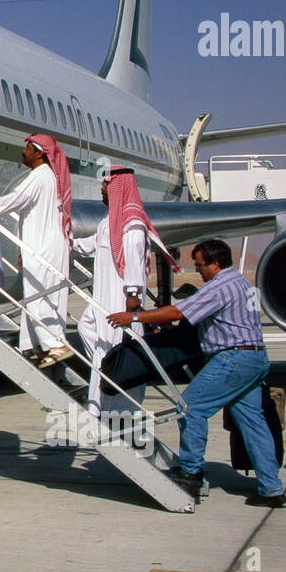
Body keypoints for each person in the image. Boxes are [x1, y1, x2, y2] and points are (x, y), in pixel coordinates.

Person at [109, 239, 286, 507]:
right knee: (252, 423)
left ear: (215, 264)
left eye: (201, 265)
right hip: (255, 358)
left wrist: (134, 318)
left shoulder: (220, 287)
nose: (199, 270)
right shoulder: (241, 283)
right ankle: (271, 488)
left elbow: (178, 311)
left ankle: (190, 470)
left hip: (233, 358)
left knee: (190, 408)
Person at [71, 168, 179, 415]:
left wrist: (132, 295)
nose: (101, 189)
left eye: (105, 184)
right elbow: (90, 247)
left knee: (118, 349)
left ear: (118, 187)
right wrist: (68, 243)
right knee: (89, 329)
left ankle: (121, 409)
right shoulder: (108, 222)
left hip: (121, 298)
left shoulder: (132, 224)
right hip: (104, 295)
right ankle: (103, 401)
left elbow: (134, 262)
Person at [0, 134, 72, 367]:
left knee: (38, 298)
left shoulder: (40, 176)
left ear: (39, 153)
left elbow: (15, 200)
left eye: (27, 148)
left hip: (43, 247)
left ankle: (55, 344)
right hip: (43, 245)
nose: (23, 152)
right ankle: (32, 346)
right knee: (38, 296)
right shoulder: (47, 177)